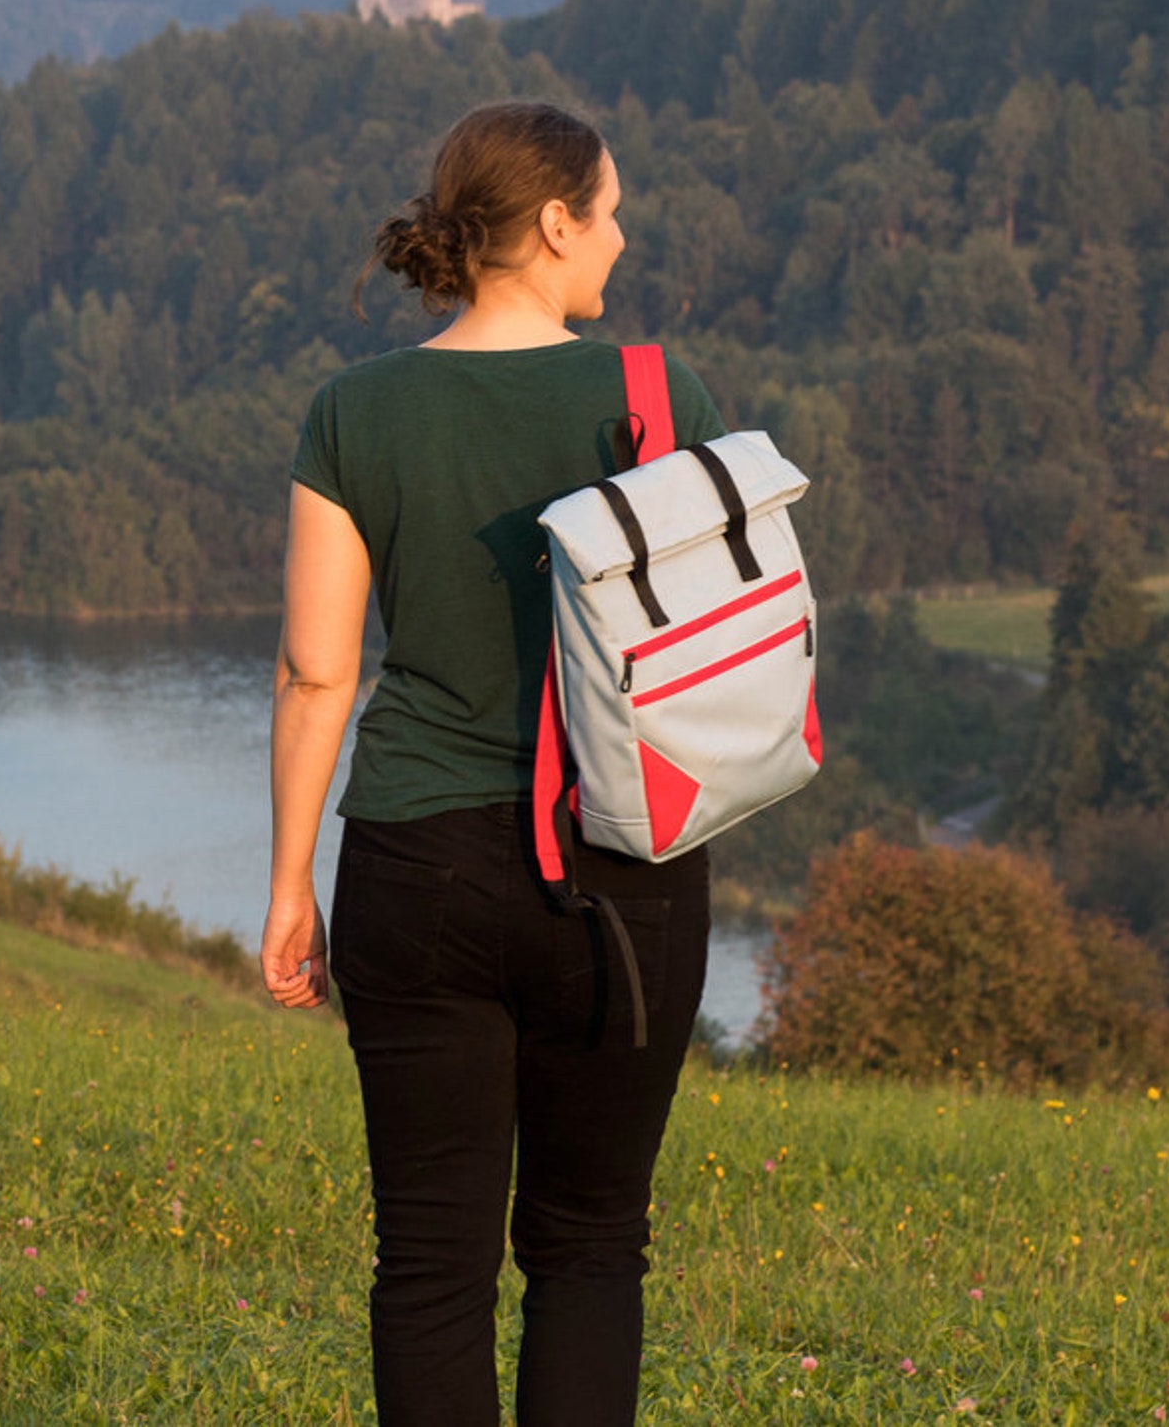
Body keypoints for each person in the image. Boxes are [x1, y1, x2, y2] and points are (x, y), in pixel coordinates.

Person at [259, 100, 724, 1427]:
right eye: (614, 213)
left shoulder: (355, 412)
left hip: (416, 866)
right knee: (588, 1248)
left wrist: (293, 883)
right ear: (558, 222)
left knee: (429, 1270)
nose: (622, 241)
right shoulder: (654, 395)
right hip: (627, 865)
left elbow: (317, 672)